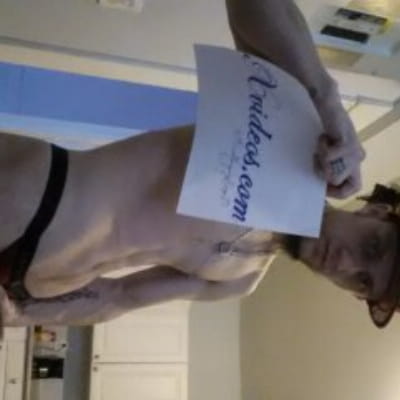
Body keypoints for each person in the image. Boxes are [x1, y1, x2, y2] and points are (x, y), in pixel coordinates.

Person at [0, 0, 370, 331]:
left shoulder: (241, 279)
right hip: (31, 202)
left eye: (362, 281)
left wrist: (20, 315)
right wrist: (325, 98)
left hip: (29, 286)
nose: (346, 264)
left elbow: (119, 297)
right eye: (372, 248)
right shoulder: (295, 137)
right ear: (376, 213)